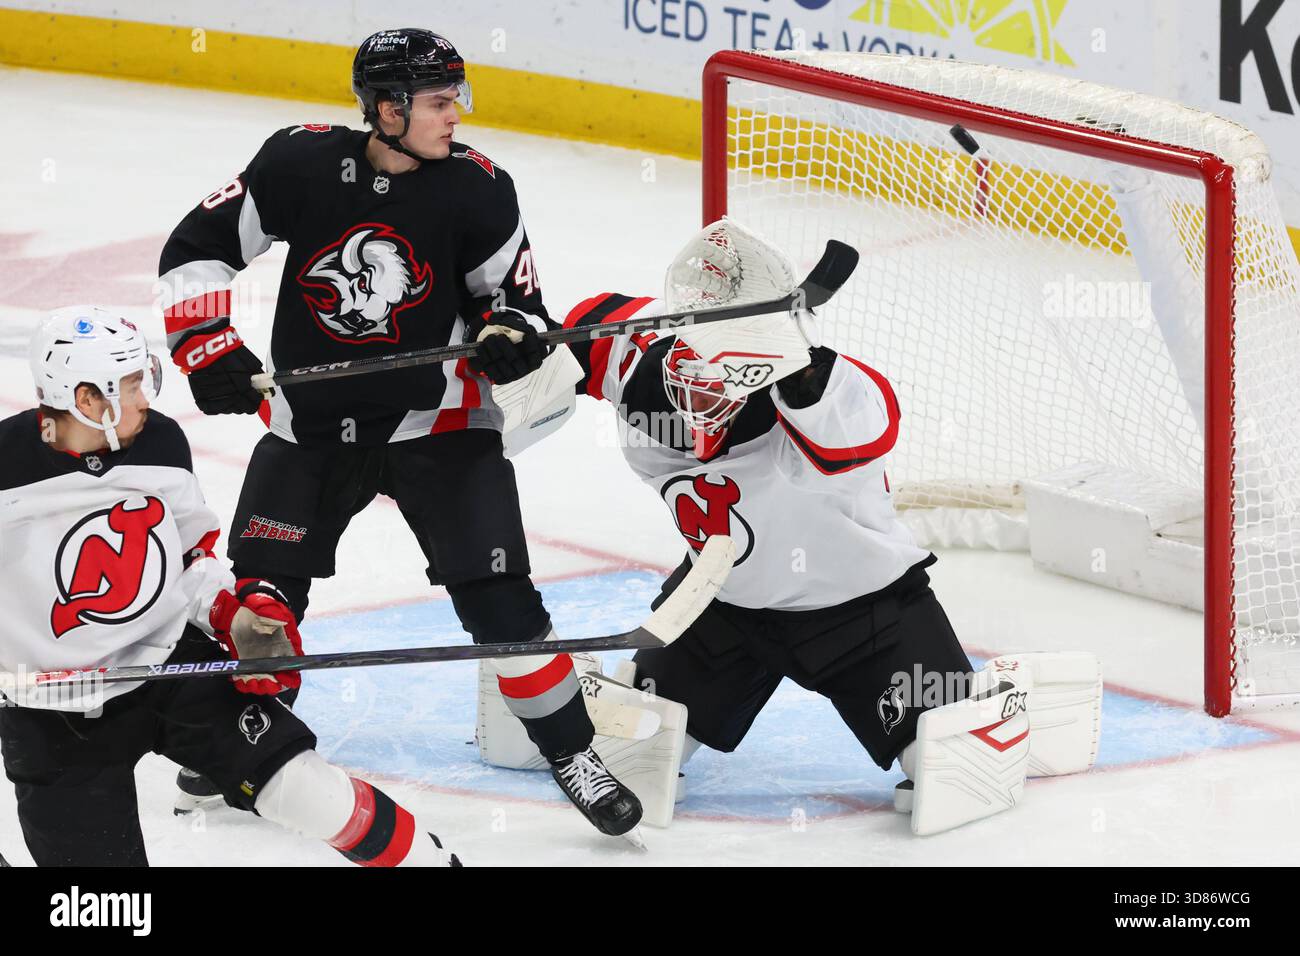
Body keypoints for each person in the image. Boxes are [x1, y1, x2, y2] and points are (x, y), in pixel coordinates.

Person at [155, 27, 640, 837]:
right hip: (310, 429)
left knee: (504, 610)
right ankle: (247, 747)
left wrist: (513, 337)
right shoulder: (298, 164)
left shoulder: (480, 189)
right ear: (385, 109)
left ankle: (573, 751)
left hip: (440, 428)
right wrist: (210, 351)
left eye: (457, 99)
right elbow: (195, 250)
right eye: (439, 102)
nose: (457, 116)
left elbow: (512, 302)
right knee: (262, 607)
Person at [533, 220, 1101, 834]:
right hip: (721, 609)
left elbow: (865, 424)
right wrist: (518, 347)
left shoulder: (824, 392)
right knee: (625, 757)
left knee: (955, 773)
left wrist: (795, 365)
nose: (701, 404)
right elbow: (566, 342)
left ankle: (1006, 694)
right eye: (689, 379)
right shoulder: (633, 352)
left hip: (860, 613)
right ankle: (561, 694)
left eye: (723, 381)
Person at [0, 307, 459, 866]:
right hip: (55, 712)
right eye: (130, 385)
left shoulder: (161, 444)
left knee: (306, 787)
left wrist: (231, 614)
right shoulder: (7, 469)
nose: (145, 399)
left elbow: (189, 556)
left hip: (170, 666)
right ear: (85, 398)